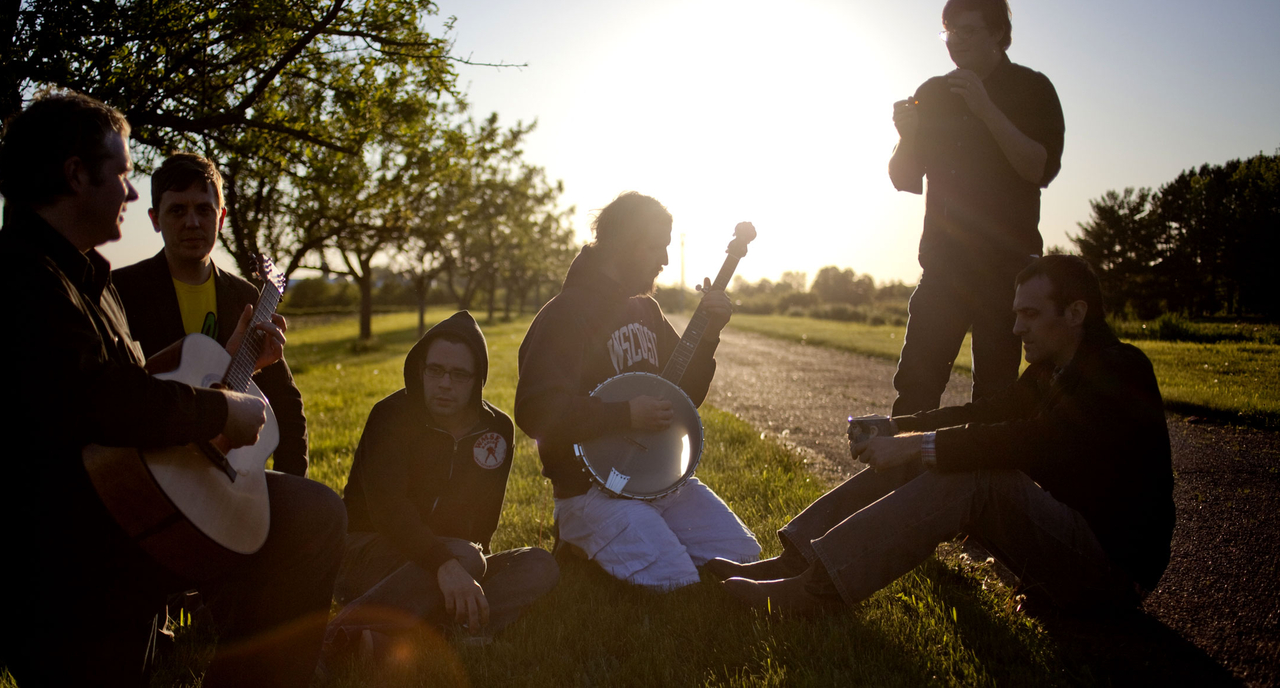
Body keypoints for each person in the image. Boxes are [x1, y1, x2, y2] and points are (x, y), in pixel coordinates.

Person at [0, 89, 347, 687]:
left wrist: (230, 360)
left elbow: (127, 384)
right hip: (59, 557)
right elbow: (101, 403)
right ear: (76, 175)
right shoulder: (13, 278)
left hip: (124, 516)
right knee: (310, 520)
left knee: (310, 515)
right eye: (124, 175)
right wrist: (219, 411)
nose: (131, 194)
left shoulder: (85, 277)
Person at [711, 256, 1175, 616]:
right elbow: (983, 413)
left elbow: (1032, 440)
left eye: (1031, 314)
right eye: (1016, 314)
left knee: (974, 476)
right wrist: (898, 428)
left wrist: (914, 445)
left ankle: (819, 591)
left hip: (1111, 575)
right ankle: (797, 561)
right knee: (933, 453)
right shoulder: (1049, 371)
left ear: (1075, 312)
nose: (1017, 327)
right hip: (1064, 549)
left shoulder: (1119, 370)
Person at [515, 192, 761, 590]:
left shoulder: (646, 310)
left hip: (658, 482)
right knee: (676, 580)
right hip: (590, 493)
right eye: (655, 246)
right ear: (623, 244)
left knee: (743, 557)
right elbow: (535, 410)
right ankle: (576, 539)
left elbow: (682, 395)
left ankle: (644, 532)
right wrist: (625, 414)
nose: (665, 260)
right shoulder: (564, 315)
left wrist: (709, 334)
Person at [888, 0, 1066, 416]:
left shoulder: (1033, 89)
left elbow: (1039, 169)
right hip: (943, 266)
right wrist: (906, 137)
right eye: (949, 31)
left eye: (968, 30)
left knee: (996, 399)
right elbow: (904, 177)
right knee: (915, 390)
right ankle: (902, 463)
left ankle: (983, 466)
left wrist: (986, 109)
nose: (956, 41)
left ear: (998, 33)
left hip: (1007, 272)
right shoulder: (932, 93)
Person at [328, 311, 558, 647]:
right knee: (466, 557)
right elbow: (388, 512)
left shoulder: (496, 429)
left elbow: (484, 521)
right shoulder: (390, 415)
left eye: (459, 374)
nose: (445, 384)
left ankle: (434, 635)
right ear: (420, 369)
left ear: (478, 379)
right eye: (435, 370)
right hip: (367, 551)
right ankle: (335, 639)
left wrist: (466, 574)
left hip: (452, 555)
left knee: (539, 563)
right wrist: (447, 564)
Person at [114, 152, 308, 476]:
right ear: (155, 219)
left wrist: (291, 480)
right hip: (151, 472)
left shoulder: (246, 297)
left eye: (204, 210)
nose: (192, 222)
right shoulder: (121, 291)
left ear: (221, 218)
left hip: (228, 475)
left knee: (320, 503)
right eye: (177, 210)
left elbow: (286, 402)